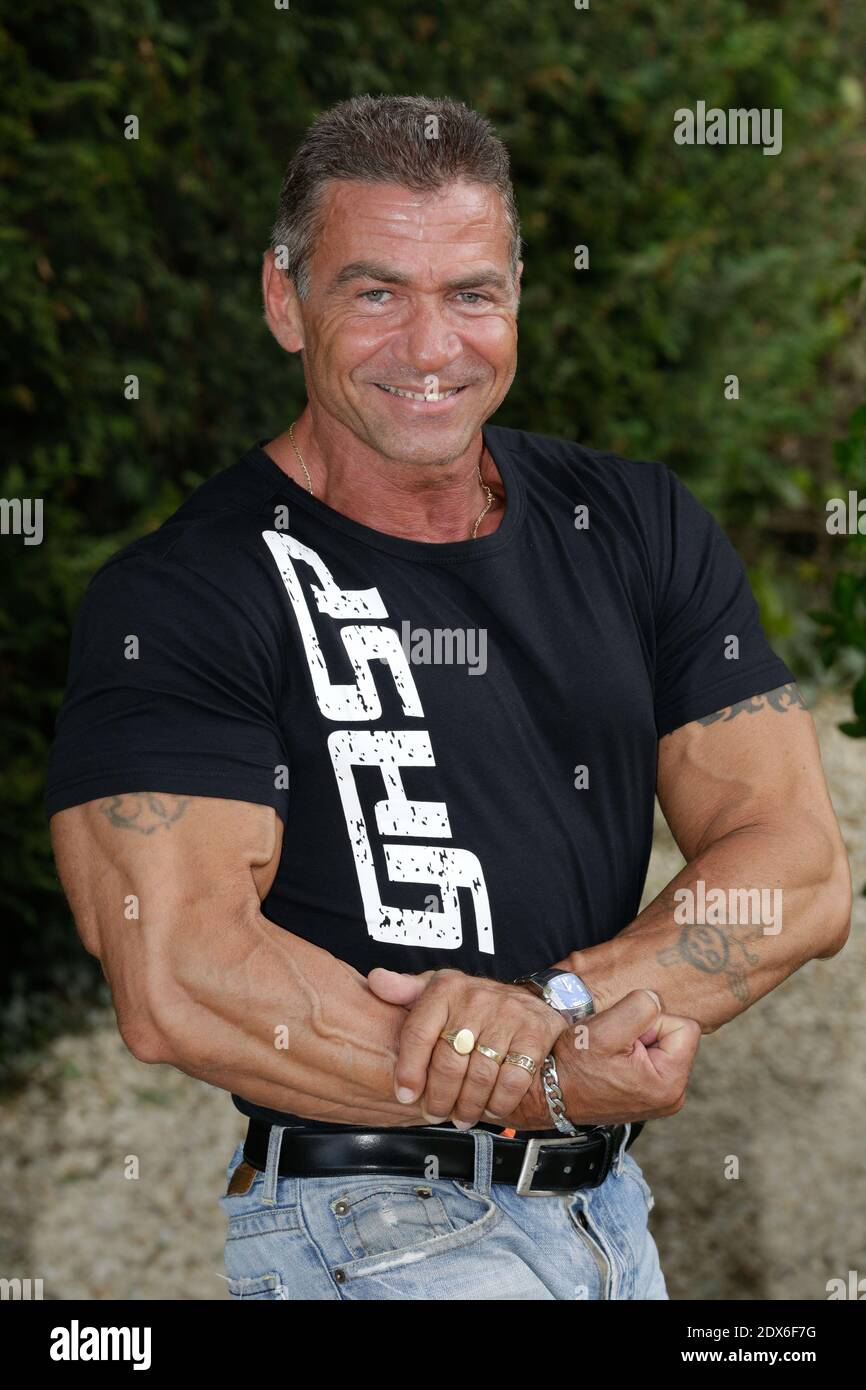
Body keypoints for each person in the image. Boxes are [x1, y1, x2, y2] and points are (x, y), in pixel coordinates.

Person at [46, 94, 851, 1301]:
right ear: (284, 299)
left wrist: (555, 1008)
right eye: (374, 292)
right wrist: (546, 1076)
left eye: (470, 292)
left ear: (516, 297)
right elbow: (176, 972)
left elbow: (794, 867)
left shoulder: (633, 522)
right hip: (374, 1225)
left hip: (607, 1217)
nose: (431, 347)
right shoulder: (182, 592)